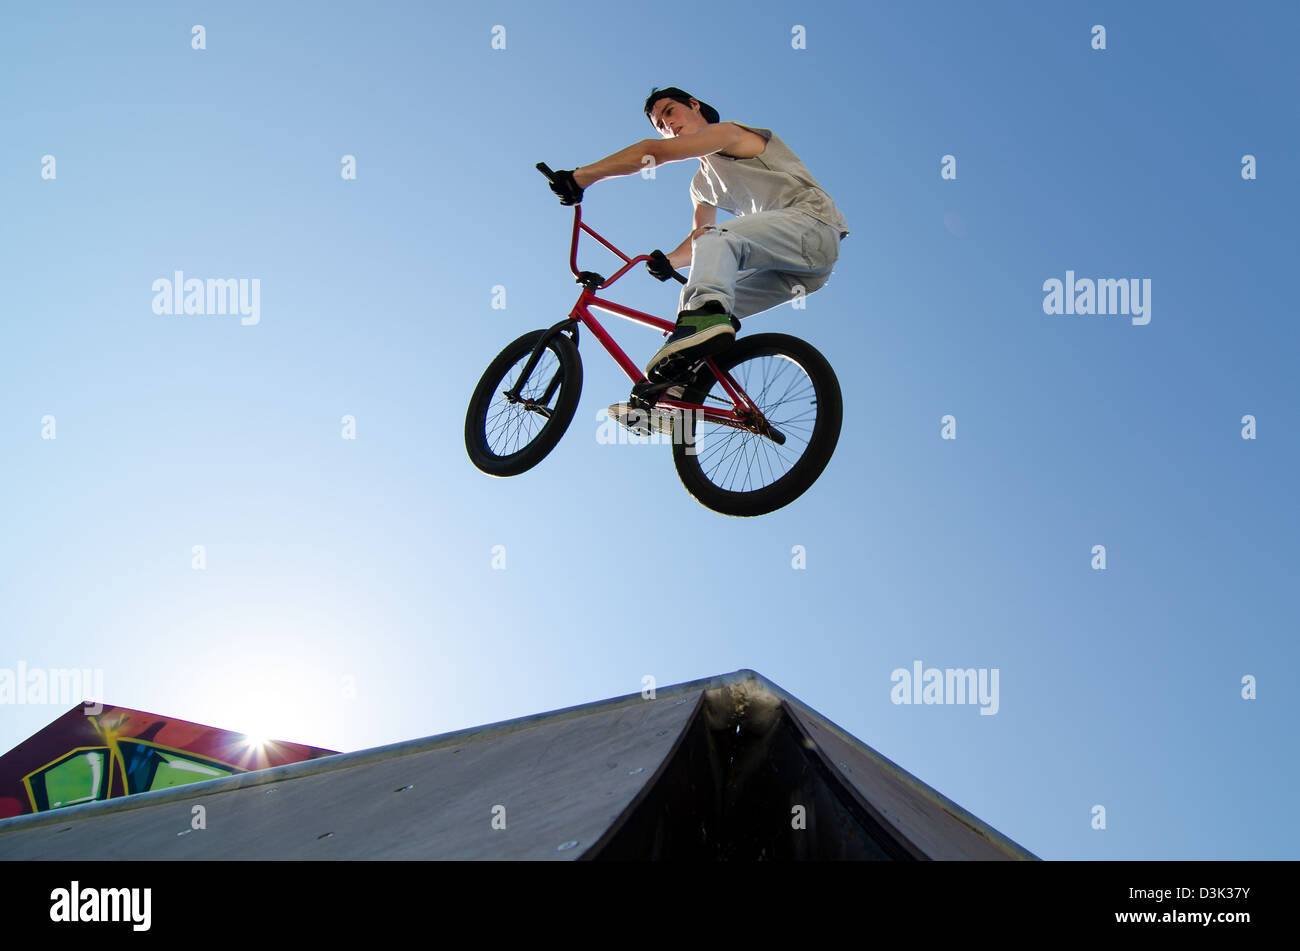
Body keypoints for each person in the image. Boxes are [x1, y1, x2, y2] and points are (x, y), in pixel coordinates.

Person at [548, 86, 848, 432]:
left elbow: (653, 153)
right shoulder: (702, 185)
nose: (667, 126)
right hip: (801, 271)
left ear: (694, 105)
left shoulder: (729, 134)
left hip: (813, 225)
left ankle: (704, 326)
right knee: (693, 309)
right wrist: (668, 261)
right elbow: (698, 242)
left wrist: (580, 177)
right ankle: (674, 398)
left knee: (707, 293)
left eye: (671, 112)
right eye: (660, 124)